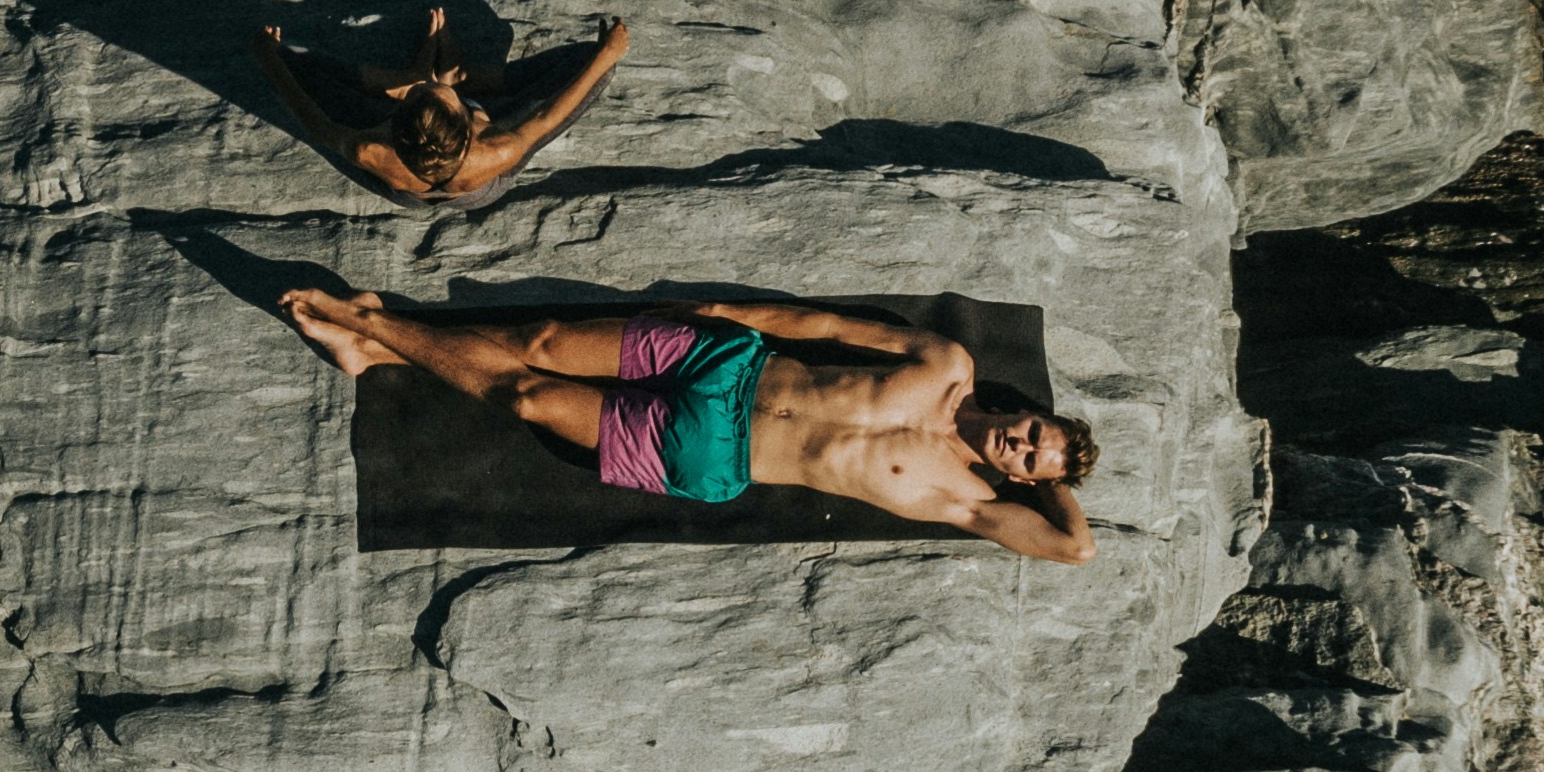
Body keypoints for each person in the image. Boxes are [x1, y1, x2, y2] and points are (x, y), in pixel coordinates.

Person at [279, 286, 1097, 561]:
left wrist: (1067, 481)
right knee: (545, 342)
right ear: (1025, 410)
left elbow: (1074, 548)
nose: (1018, 445)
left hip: (709, 452)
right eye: (1033, 431)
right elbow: (821, 327)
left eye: (1031, 461)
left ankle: (375, 328)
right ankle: (375, 352)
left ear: (1024, 481)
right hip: (729, 365)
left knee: (528, 397)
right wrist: (723, 311)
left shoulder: (963, 497)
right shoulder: (946, 362)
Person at [257, 8, 630, 204]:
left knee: (299, 69)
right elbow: (548, 117)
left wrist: (270, 61)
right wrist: (607, 53)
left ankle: (410, 79)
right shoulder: (497, 152)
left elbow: (315, 122)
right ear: (471, 122)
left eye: (429, 87)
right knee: (594, 65)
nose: (433, 84)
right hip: (474, 189)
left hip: (409, 191)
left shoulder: (369, 147)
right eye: (431, 87)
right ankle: (463, 79)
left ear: (393, 122)